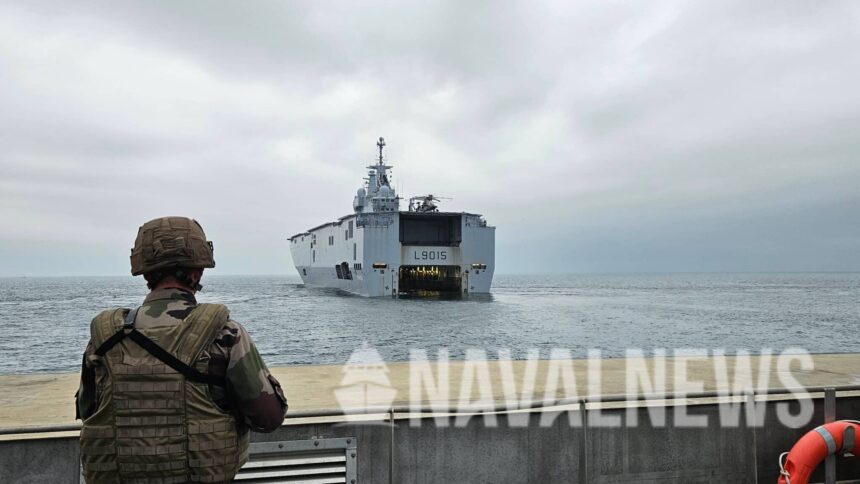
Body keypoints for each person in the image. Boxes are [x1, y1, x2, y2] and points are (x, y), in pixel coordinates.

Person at [76, 216, 287, 483]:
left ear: (144, 272)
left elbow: (87, 411)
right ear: (198, 270)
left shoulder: (104, 338)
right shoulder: (225, 334)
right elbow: (268, 418)